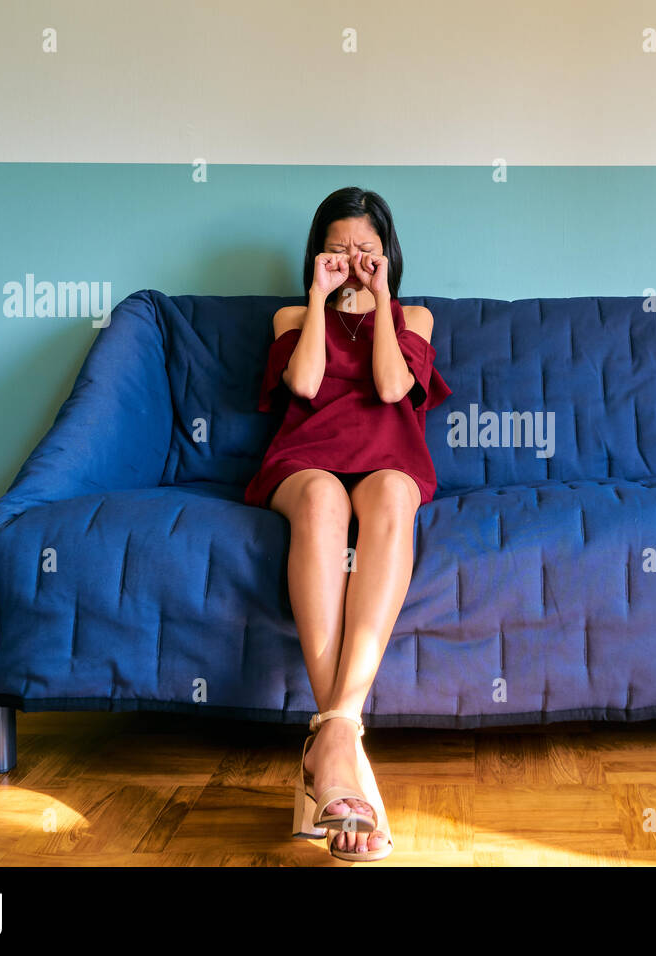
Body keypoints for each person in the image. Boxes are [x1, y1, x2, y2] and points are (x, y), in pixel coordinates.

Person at [244, 187, 451, 861]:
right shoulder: (291, 316)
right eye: (339, 249)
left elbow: (392, 389)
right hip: (307, 462)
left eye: (367, 249)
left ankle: (331, 743)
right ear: (317, 254)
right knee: (324, 500)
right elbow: (303, 386)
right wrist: (318, 296)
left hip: (389, 459)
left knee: (393, 494)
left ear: (388, 254)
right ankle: (342, 742)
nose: (353, 260)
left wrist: (381, 296)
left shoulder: (413, 315)